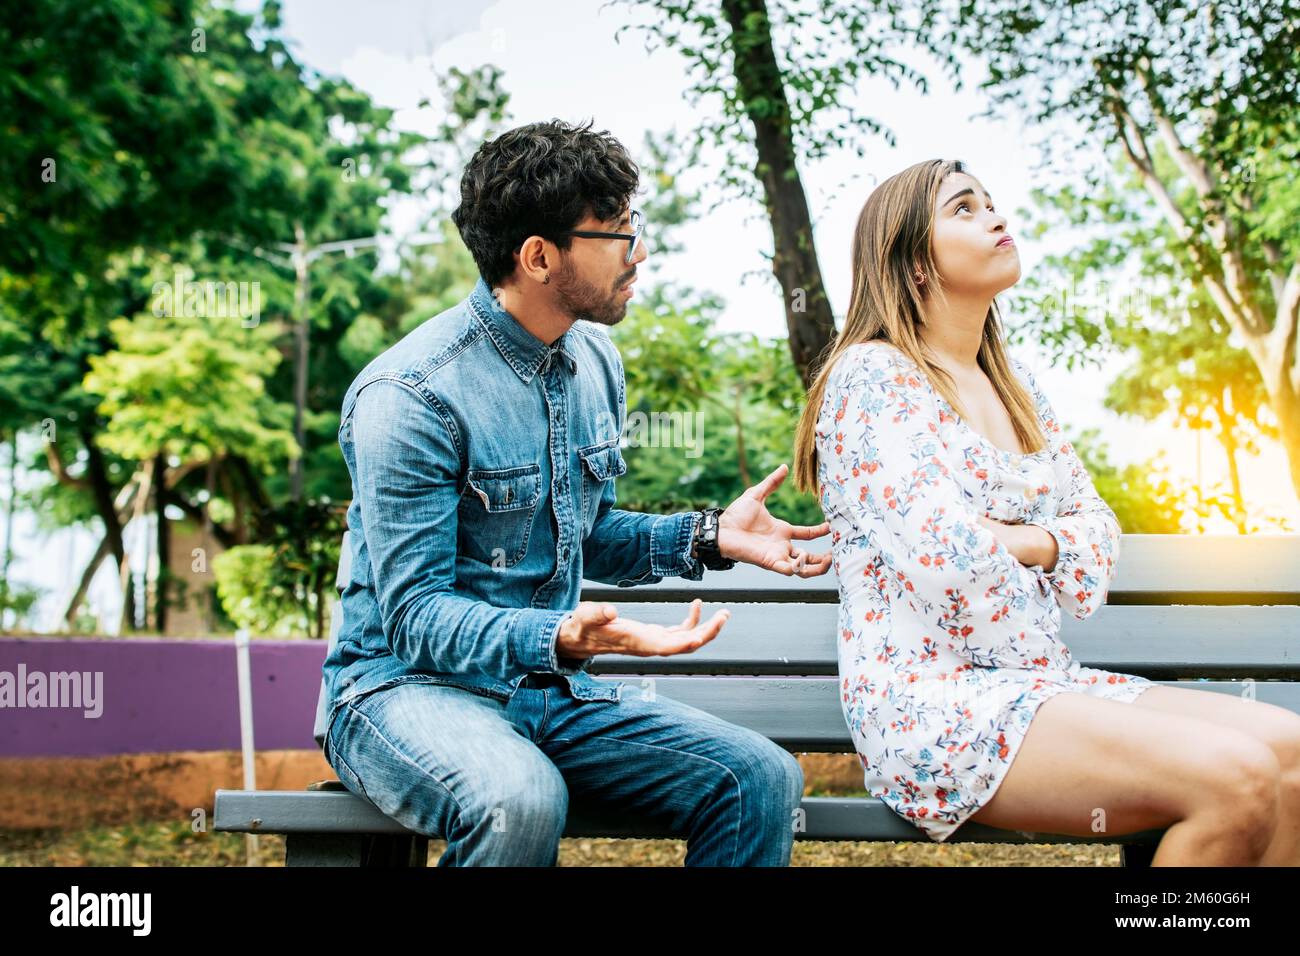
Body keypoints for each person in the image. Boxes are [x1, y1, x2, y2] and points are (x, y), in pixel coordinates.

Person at [322, 118, 833, 866]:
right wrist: (555, 636)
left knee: (756, 778)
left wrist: (711, 535)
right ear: (538, 256)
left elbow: (584, 533)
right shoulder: (412, 397)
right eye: (618, 234)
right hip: (400, 692)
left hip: (544, 692)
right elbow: (416, 621)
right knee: (519, 800)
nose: (640, 251)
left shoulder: (594, 361)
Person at [791, 158, 1300, 865]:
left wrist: (1032, 543)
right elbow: (947, 559)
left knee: (1292, 758)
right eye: (964, 208)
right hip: (934, 707)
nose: (996, 217)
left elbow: (1097, 531)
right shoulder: (872, 379)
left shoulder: (1014, 382)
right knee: (1235, 778)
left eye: (991, 202)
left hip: (1044, 682)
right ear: (910, 262)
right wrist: (1040, 541)